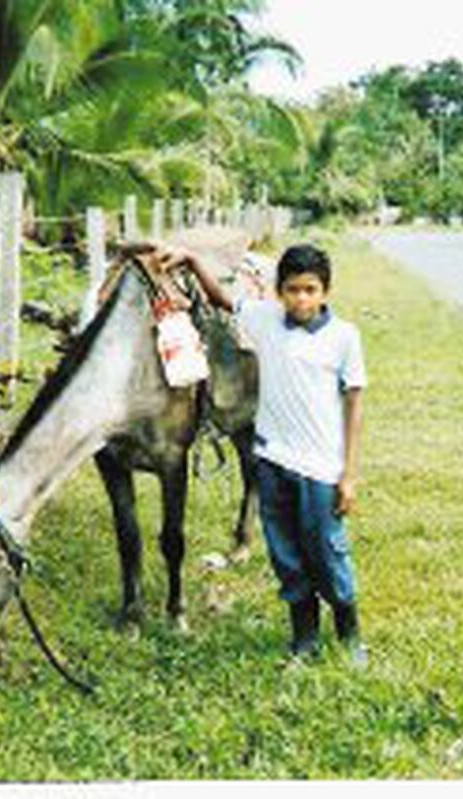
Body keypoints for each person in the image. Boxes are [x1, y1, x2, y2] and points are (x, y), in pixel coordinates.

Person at [162, 242, 369, 665]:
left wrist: (349, 474)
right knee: (287, 555)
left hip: (320, 469)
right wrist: (192, 261)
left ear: (325, 292)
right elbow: (222, 300)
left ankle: (350, 634)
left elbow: (354, 404)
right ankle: (304, 638)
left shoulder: (344, 338)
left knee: (327, 552)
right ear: (279, 292)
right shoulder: (265, 320)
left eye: (311, 289)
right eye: (293, 289)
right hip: (273, 462)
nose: (301, 299)